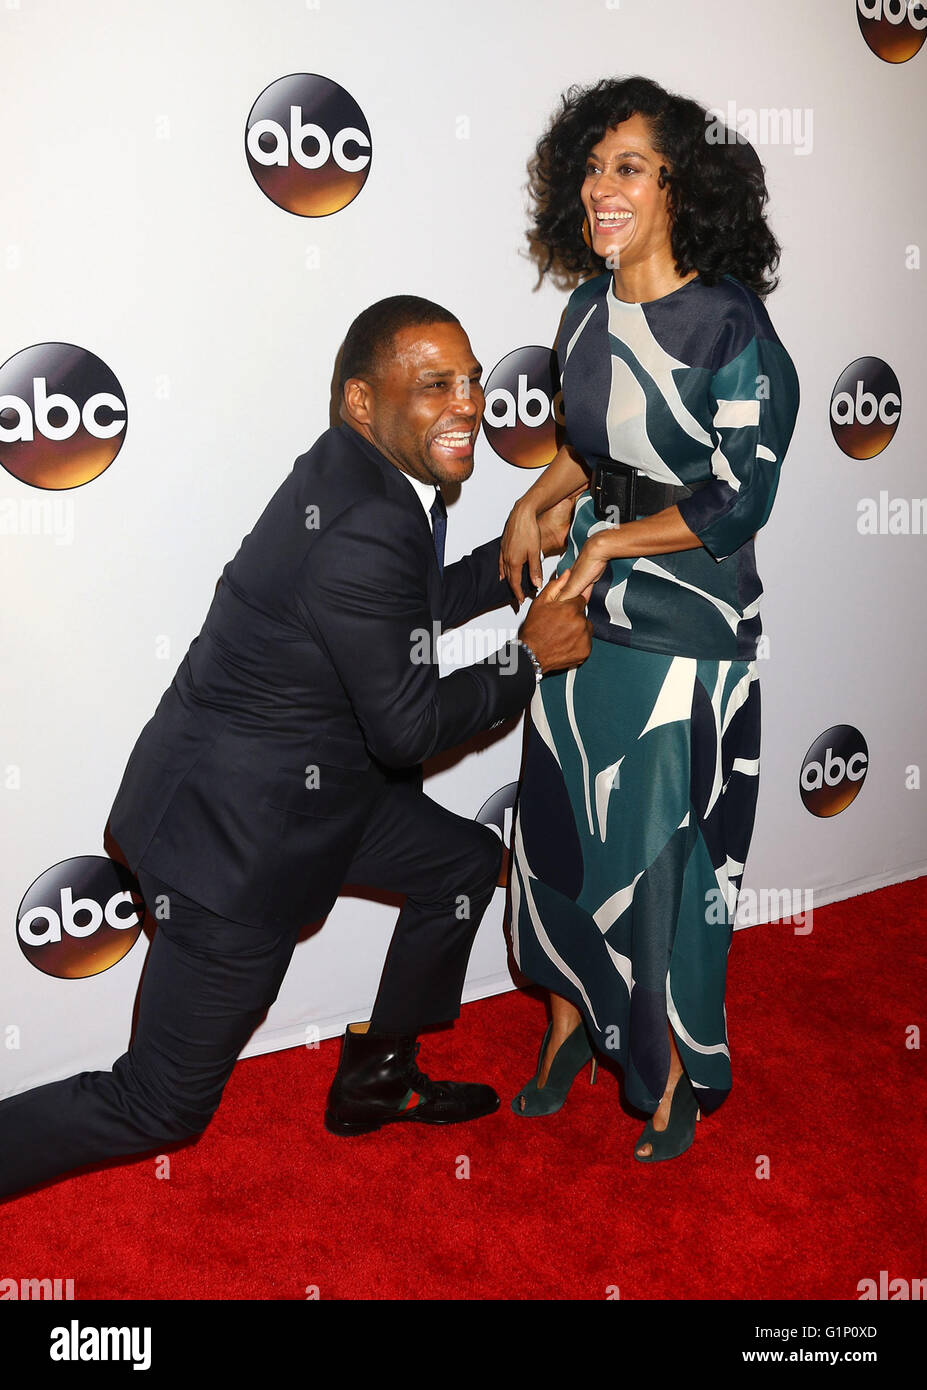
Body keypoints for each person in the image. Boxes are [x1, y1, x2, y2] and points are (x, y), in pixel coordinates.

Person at [0, 295, 591, 1200]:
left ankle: (376, 1079)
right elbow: (408, 726)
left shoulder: (356, 482)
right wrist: (526, 657)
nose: (468, 403)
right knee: (157, 1107)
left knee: (462, 862)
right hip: (235, 848)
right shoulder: (364, 519)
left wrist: (504, 561)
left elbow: (388, 617)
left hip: (301, 794)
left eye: (470, 380)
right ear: (363, 401)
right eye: (434, 385)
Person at [500, 77, 800, 1161]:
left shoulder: (728, 322)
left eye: (628, 167)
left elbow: (738, 495)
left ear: (685, 183)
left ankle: (669, 1066)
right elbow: (593, 450)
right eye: (591, 167)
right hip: (586, 606)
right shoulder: (585, 306)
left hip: (685, 623)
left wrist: (608, 544)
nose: (601, 189)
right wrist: (536, 500)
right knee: (559, 825)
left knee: (660, 851)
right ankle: (569, 1025)